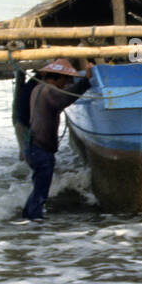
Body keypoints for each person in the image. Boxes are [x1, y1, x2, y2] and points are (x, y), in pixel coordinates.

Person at [20, 58, 91, 221]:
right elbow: (67, 98)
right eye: (65, 80)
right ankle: (34, 220)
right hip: (41, 150)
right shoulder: (49, 91)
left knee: (38, 188)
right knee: (41, 191)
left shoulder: (37, 89)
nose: (66, 84)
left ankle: (29, 217)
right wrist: (87, 81)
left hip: (33, 147)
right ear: (57, 77)